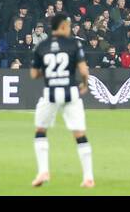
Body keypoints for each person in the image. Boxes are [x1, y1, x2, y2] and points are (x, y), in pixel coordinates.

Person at [29, 13, 94, 188]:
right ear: (64, 26)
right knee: (79, 133)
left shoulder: (42, 46)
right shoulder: (74, 44)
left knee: (40, 130)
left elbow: (34, 74)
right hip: (70, 92)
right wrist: (85, 85)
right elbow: (84, 71)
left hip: (50, 93)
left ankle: (43, 171)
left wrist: (49, 72)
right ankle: (88, 177)